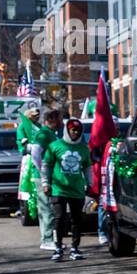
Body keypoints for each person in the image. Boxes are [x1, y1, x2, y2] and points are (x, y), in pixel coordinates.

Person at [40, 117, 92, 261]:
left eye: (78, 130)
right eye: (72, 130)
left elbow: (88, 167)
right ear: (67, 130)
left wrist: (90, 183)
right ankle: (58, 247)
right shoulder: (55, 146)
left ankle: (75, 248)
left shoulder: (84, 148)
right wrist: (46, 183)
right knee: (59, 218)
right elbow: (46, 165)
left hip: (77, 189)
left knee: (76, 220)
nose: (75, 133)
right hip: (59, 189)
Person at [32, 111, 62, 250]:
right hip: (43, 177)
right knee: (47, 207)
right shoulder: (43, 134)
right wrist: (42, 172)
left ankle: (48, 238)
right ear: (54, 120)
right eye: (60, 119)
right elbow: (36, 153)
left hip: (50, 176)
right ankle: (47, 240)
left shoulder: (50, 133)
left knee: (48, 207)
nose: (62, 122)